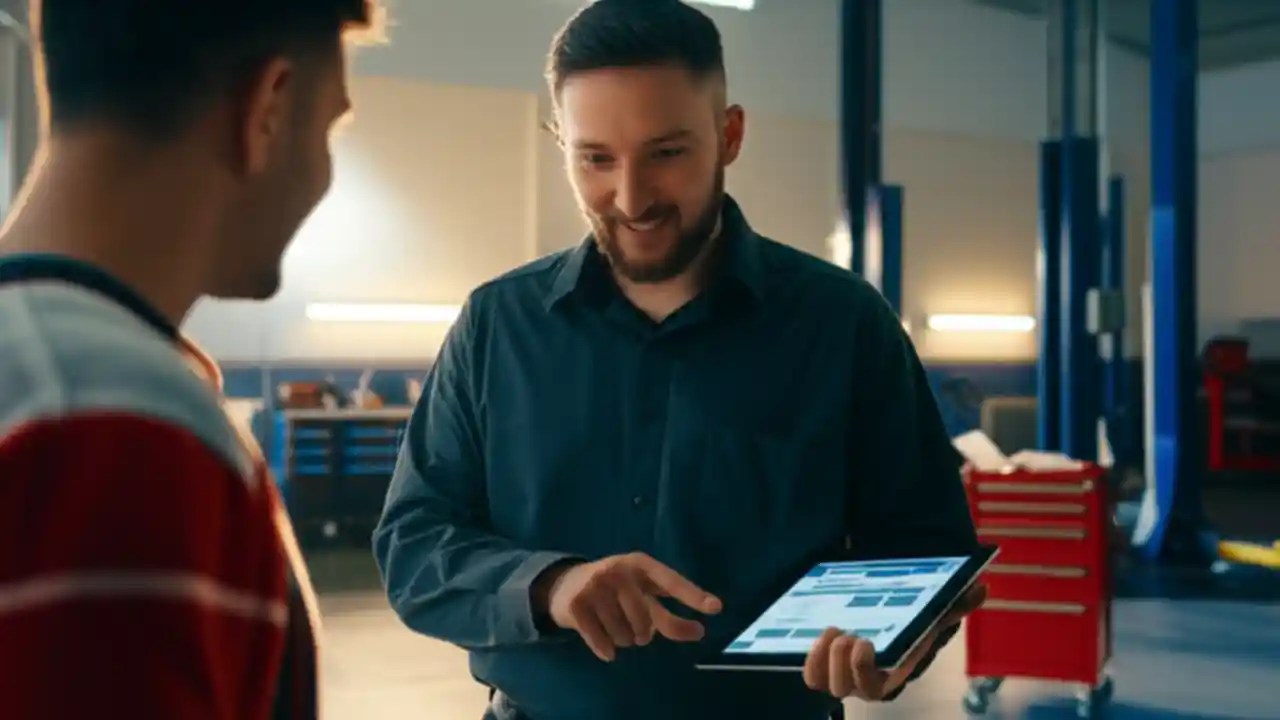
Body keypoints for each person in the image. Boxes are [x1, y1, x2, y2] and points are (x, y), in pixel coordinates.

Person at [373, 1, 982, 719]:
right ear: (559, 141)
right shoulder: (497, 327)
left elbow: (923, 542)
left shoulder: (843, 325)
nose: (631, 199)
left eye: (666, 153)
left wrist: (896, 644)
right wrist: (551, 586)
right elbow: (414, 547)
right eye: (595, 158)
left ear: (729, 135)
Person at [0, 1, 376, 717]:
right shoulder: (109, 427)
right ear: (269, 107)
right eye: (330, 126)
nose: (323, 170)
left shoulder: (40, 378)